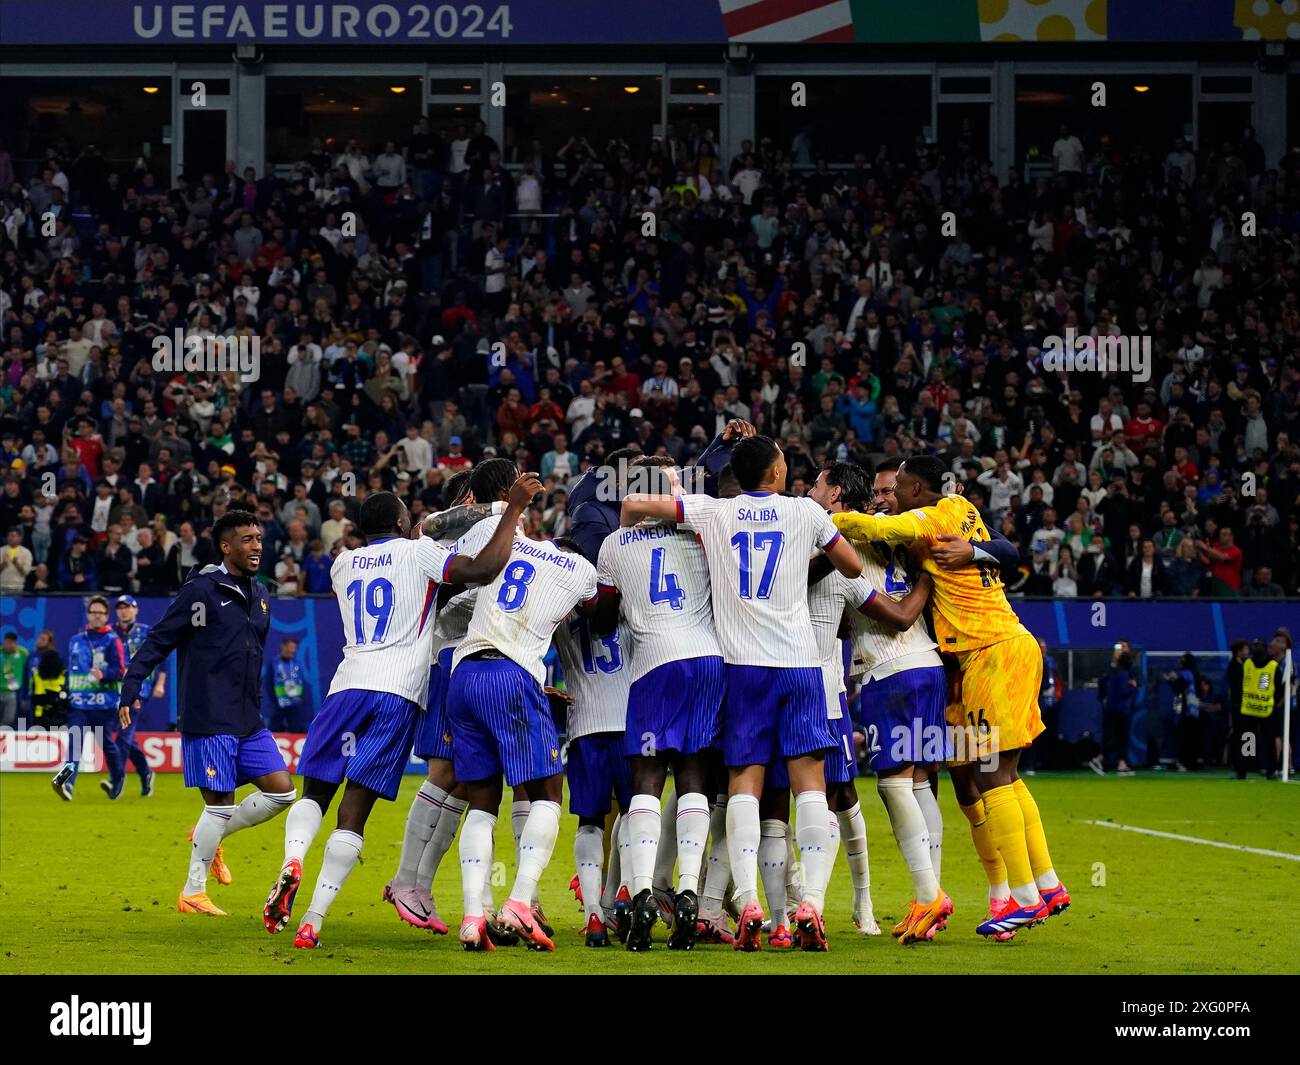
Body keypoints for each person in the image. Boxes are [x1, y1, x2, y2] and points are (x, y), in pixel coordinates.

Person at [266, 475, 538, 949]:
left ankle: (292, 861)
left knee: (314, 795)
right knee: (353, 816)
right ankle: (312, 920)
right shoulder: (418, 553)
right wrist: (510, 509)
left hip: (345, 688)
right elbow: (480, 569)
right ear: (400, 521)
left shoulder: (342, 563)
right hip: (395, 695)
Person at [621, 434, 865, 952]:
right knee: (810, 788)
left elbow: (637, 503)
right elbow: (853, 566)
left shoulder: (713, 512)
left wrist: (654, 502)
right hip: (801, 667)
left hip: (742, 669)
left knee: (742, 785)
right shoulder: (804, 513)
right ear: (775, 473)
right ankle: (811, 906)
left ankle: (749, 900)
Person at [830, 455, 1070, 939]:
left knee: (989, 777)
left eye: (896, 488)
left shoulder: (923, 518)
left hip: (987, 654)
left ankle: (1022, 897)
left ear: (916, 489)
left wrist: (811, 518)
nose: (890, 497)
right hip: (994, 651)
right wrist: (976, 552)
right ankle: (1044, 884)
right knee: (997, 778)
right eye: (884, 490)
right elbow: (997, 545)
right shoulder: (960, 506)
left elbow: (865, 526)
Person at [117, 511, 298, 917]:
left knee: (283, 791)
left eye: (259, 539)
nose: (257, 546)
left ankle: (208, 837)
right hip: (210, 713)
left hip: (249, 717)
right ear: (226, 546)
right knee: (219, 803)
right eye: (248, 539)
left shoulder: (260, 593)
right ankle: (193, 891)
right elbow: (159, 639)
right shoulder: (200, 590)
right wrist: (132, 687)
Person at [447, 513, 601, 952]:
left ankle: (474, 915)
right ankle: (518, 901)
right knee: (547, 792)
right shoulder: (581, 569)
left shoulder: (515, 544)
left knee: (481, 802)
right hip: (513, 672)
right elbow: (598, 614)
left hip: (464, 675)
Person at [808, 461, 946, 942]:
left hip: (889, 672)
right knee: (922, 783)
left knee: (893, 786)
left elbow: (883, 612)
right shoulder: (903, 540)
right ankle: (927, 899)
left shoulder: (848, 542)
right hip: (929, 668)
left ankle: (929, 896)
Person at [592, 456, 725, 951]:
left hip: (654, 665)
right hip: (708, 659)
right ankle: (688, 892)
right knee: (694, 776)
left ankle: (644, 893)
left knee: (646, 779)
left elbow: (604, 621)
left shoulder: (612, 545)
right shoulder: (701, 534)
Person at [50, 598, 127, 800]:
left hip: (104, 705)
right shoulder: (76, 640)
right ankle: (68, 783)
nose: (97, 616)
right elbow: (71, 669)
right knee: (75, 743)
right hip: (79, 704)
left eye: (101, 613)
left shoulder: (113, 640)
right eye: (93, 612)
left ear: (107, 616)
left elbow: (120, 670)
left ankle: (118, 778)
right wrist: (65, 689)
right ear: (88, 614)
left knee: (108, 746)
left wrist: (104, 674)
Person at [111, 594, 161, 797]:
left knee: (123, 736)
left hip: (140, 689)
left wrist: (161, 683)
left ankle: (117, 780)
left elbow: (161, 658)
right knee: (127, 738)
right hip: (114, 691)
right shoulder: (111, 633)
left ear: (136, 609)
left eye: (128, 607)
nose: (124, 611)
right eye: (120, 607)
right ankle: (146, 772)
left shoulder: (146, 632)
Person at [1235, 639, 1283, 779]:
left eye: (1259, 646)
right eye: (1255, 646)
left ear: (1266, 648)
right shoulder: (1247, 664)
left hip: (1265, 710)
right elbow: (1239, 684)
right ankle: (1243, 770)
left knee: (1269, 742)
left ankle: (1271, 771)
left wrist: (1275, 704)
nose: (1257, 648)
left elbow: (1279, 688)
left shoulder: (1273, 666)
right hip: (1248, 709)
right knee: (1247, 740)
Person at [1095, 648, 1138, 775]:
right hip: (1121, 710)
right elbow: (1124, 691)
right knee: (1121, 738)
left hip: (1111, 709)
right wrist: (1132, 686)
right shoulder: (1124, 675)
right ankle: (1105, 760)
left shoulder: (1114, 673)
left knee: (1112, 737)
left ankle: (1115, 763)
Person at [263, 638, 308, 732]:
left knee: (296, 729)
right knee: (273, 731)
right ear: (283, 647)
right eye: (291, 647)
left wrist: (300, 698)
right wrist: (275, 702)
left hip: (294, 704)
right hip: (279, 704)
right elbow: (269, 684)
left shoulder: (297, 664)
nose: (294, 650)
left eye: (295, 648)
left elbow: (301, 682)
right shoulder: (274, 664)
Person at [0, 629, 28, 728]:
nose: (9, 645)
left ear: (16, 643)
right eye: (7, 642)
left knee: (9, 719)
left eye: (12, 643)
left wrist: (24, 696)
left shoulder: (22, 653)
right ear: (4, 641)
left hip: (12, 692)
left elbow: (26, 671)